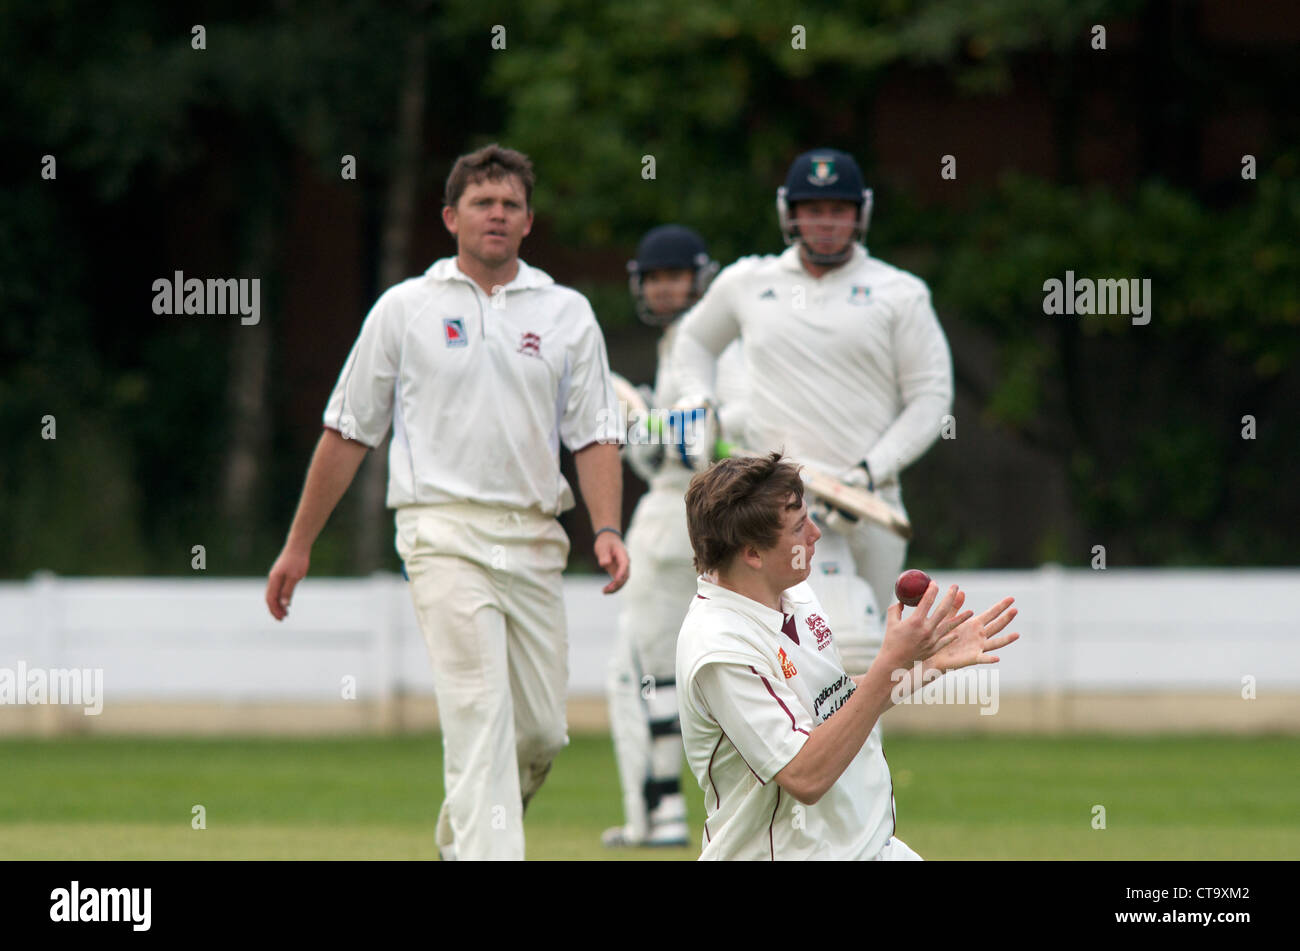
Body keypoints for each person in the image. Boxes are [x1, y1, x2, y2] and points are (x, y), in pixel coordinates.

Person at [262, 144, 629, 861]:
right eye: (483, 202)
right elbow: (349, 430)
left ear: (528, 222)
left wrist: (607, 526)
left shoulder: (567, 313)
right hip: (441, 531)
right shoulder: (406, 309)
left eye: (511, 205)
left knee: (540, 732)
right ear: (449, 216)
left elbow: (595, 432)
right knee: (479, 714)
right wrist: (299, 543)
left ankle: (460, 845)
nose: (497, 214)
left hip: (533, 537)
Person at [670, 147, 954, 675]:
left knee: (871, 665)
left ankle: (842, 759)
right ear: (789, 212)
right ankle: (794, 756)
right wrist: (697, 405)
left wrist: (869, 473)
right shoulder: (748, 282)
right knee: (806, 653)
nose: (825, 222)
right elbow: (694, 344)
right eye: (812, 208)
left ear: (859, 213)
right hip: (773, 506)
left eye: (838, 208)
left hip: (867, 505)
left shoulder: (900, 293)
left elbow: (932, 398)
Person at [676, 452, 1018, 860]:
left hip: (868, 848)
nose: (817, 534)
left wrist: (925, 666)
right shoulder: (719, 645)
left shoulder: (795, 594)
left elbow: (834, 702)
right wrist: (889, 665)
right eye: (800, 526)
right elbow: (804, 775)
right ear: (752, 553)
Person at [603, 224, 742, 848]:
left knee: (651, 668)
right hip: (702, 513)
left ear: (700, 279)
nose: (663, 289)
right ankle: (661, 813)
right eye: (654, 278)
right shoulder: (680, 344)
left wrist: (647, 426)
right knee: (654, 667)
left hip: (683, 516)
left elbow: (699, 441)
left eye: (674, 277)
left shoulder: (707, 342)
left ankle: (662, 817)